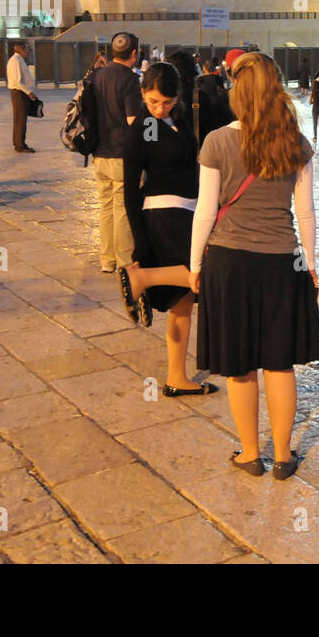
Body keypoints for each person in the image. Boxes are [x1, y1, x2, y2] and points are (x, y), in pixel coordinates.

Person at [189, 51, 319, 480]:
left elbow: (205, 212)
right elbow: (306, 212)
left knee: (238, 363)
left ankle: (250, 453)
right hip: (283, 262)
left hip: (229, 263)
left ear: (237, 91)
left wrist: (194, 265)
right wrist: (313, 264)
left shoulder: (216, 142)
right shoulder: (295, 143)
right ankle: (283, 455)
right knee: (279, 362)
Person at [119, 62, 216, 393]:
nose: (159, 109)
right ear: (143, 94)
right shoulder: (142, 129)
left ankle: (177, 377)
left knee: (183, 300)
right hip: (163, 216)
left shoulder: (182, 118)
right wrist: (140, 247)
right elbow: (130, 192)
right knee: (203, 273)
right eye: (153, 101)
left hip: (187, 214)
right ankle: (142, 278)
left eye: (166, 102)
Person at [91, 32, 145, 272]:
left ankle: (107, 259)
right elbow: (134, 120)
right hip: (122, 154)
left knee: (106, 206)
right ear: (134, 54)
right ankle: (124, 261)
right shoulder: (130, 80)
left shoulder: (97, 75)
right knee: (123, 207)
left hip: (99, 152)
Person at [7, 41, 37, 153]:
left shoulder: (19, 60)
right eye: (27, 50)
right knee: (20, 119)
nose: (28, 52)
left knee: (19, 118)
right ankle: (20, 145)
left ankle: (18, 142)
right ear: (22, 50)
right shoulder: (15, 61)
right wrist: (28, 92)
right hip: (19, 93)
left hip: (20, 92)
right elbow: (17, 81)